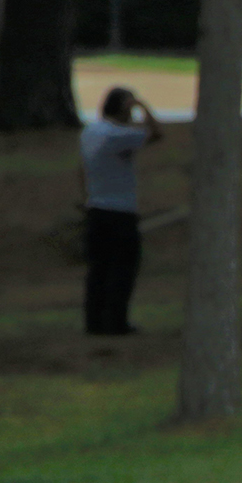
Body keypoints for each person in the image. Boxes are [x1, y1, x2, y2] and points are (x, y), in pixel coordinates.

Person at [79, 87, 162, 335]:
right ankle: (116, 321)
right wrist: (144, 106)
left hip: (96, 208)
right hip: (120, 212)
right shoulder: (120, 136)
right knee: (123, 268)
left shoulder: (90, 132)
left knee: (98, 269)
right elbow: (156, 133)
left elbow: (81, 167)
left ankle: (93, 321)